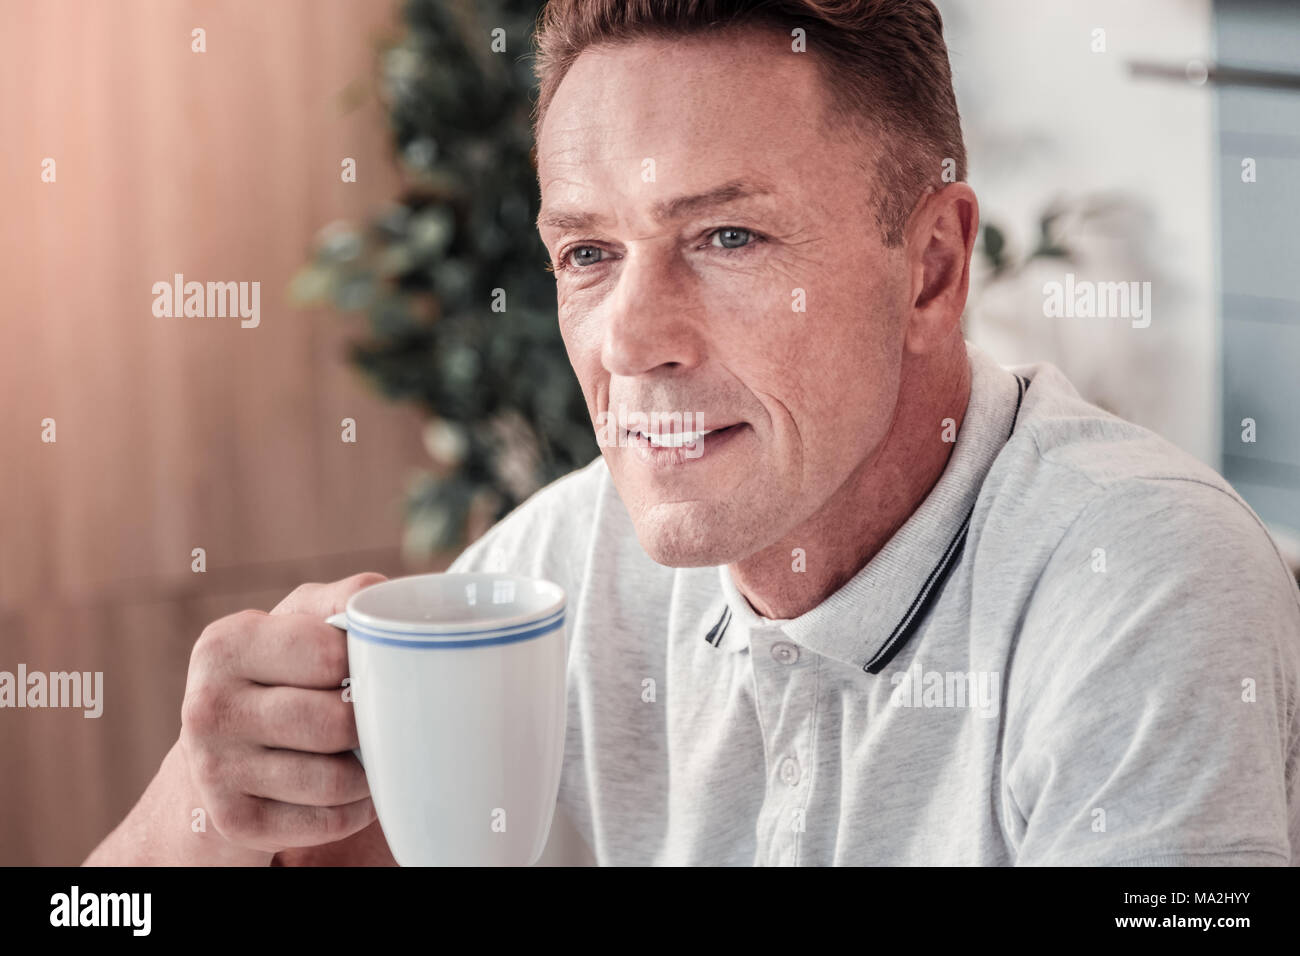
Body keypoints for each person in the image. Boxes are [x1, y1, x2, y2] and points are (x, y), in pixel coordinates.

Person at [86, 0, 1300, 867]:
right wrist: (203, 805)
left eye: (727, 238)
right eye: (589, 254)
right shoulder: (557, 566)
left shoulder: (1139, 577)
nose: (629, 340)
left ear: (930, 270)